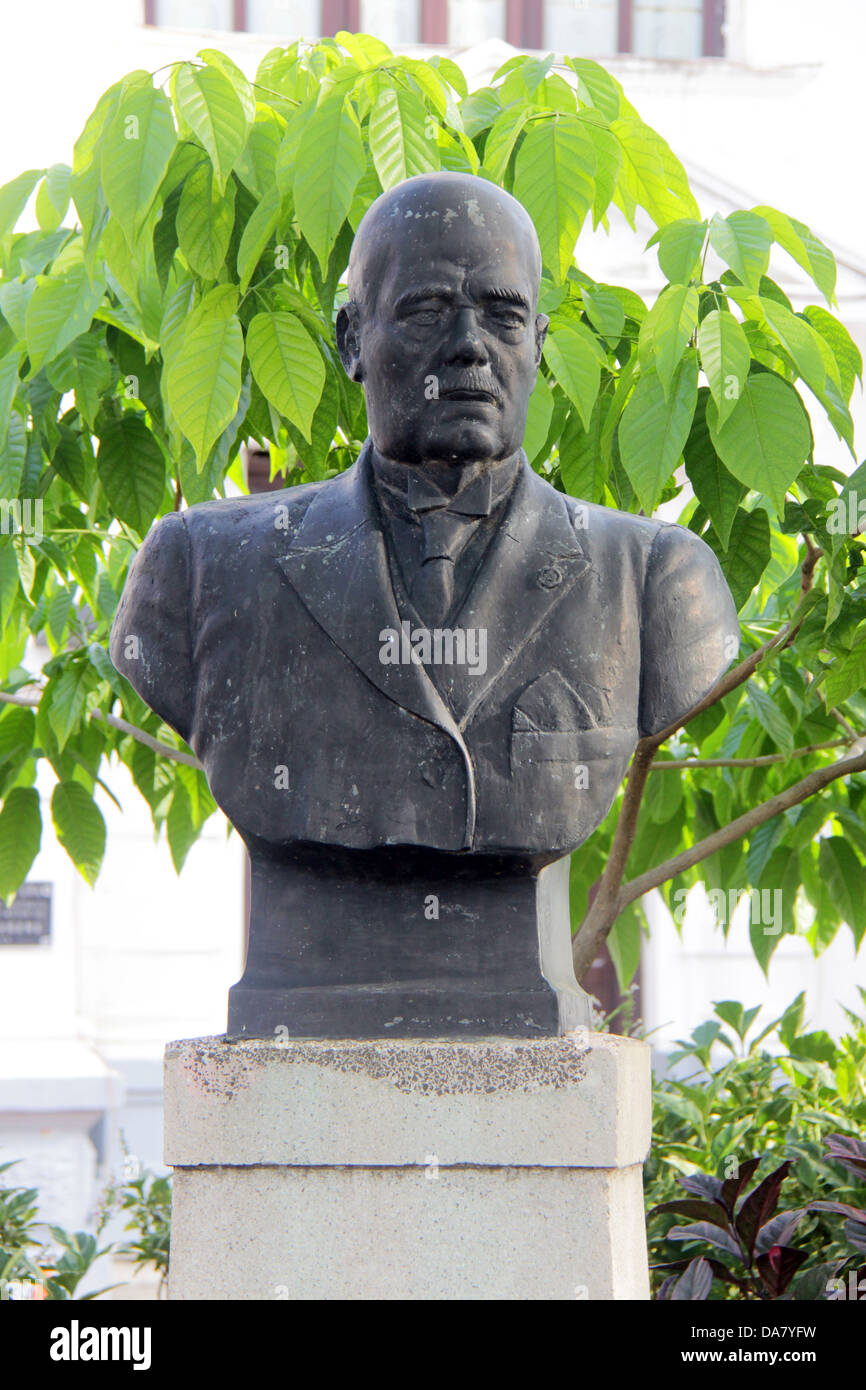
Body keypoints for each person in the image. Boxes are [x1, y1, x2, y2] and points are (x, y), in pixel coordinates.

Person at [110, 173, 738, 1037]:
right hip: (298, 997)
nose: (470, 347)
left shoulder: (656, 581)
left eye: (504, 314)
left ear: (539, 344)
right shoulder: (198, 568)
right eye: (426, 310)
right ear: (349, 341)